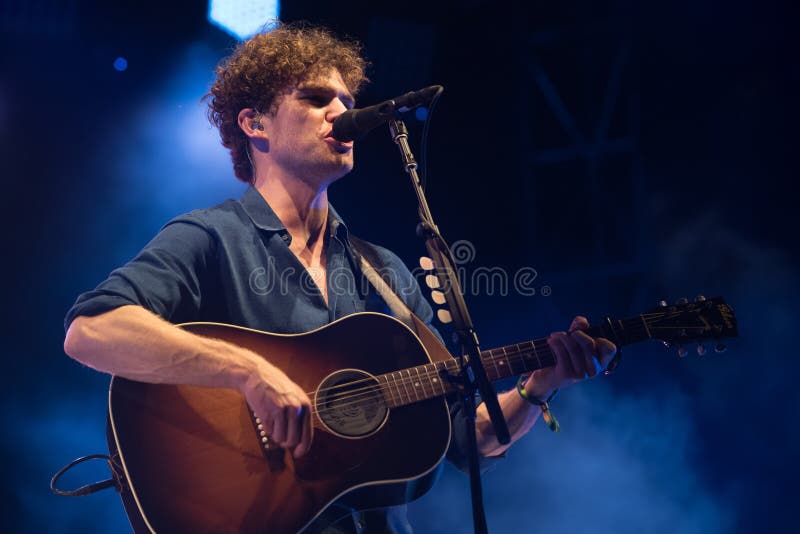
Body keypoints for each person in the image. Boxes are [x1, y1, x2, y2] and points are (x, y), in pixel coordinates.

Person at [63, 22, 616, 533]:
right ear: (254, 123)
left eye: (347, 101)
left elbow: (466, 442)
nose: (340, 111)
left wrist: (541, 384)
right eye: (315, 98)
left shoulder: (386, 274)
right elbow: (90, 331)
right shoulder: (211, 237)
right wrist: (248, 373)